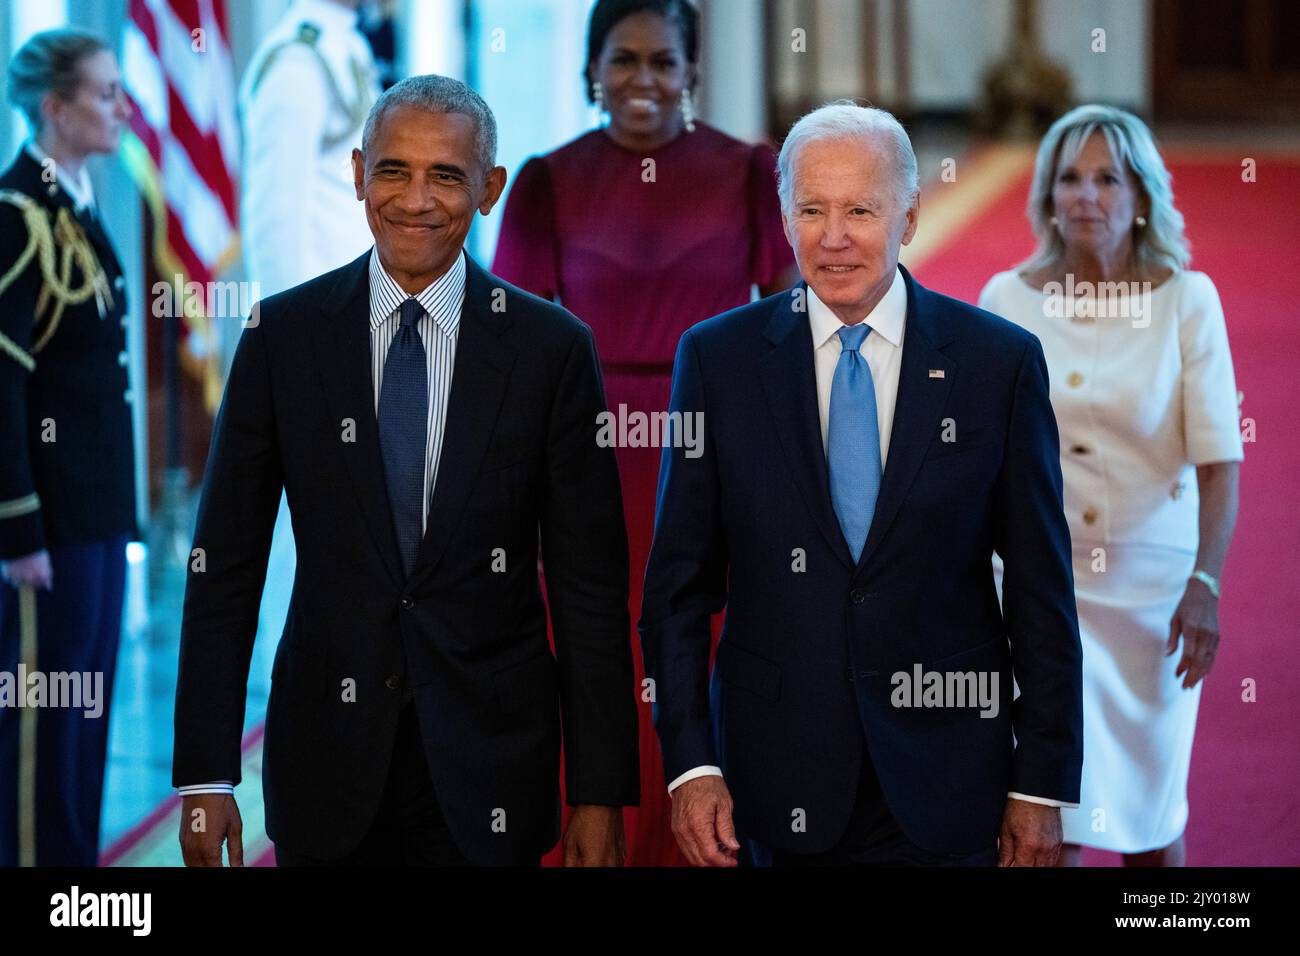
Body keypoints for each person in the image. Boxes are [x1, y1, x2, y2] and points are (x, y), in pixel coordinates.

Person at [174, 75, 639, 867]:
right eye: (393, 170)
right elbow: (224, 568)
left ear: (489, 188)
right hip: (326, 766)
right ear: (358, 173)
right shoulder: (283, 338)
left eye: (447, 175)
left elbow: (588, 589)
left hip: (493, 774)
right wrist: (204, 776)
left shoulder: (552, 351)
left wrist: (599, 789)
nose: (415, 199)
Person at [639, 101, 1084, 867]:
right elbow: (678, 589)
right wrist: (693, 765)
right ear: (784, 217)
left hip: (948, 776)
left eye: (860, 210)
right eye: (812, 209)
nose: (834, 237)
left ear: (910, 216)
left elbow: (1042, 587)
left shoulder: (996, 365)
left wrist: (1040, 782)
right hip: (771, 783)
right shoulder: (718, 361)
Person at [491, 0, 797, 866]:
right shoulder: (547, 179)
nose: (643, 81)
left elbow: (787, 326)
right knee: (588, 647)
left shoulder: (748, 170)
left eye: (664, 62)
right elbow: (517, 343)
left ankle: (704, 841)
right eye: (623, 60)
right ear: (592, 69)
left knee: (703, 644)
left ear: (694, 72)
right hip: (585, 459)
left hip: (713, 452)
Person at [978, 104, 1242, 867]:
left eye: (1107, 178)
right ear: (1047, 195)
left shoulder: (1189, 302)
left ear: (1142, 195)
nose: (1086, 196)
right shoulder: (1008, 299)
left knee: (1149, 824)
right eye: (1069, 178)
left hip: (1152, 602)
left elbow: (1221, 462)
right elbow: (982, 462)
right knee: (1044, 817)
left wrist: (1206, 582)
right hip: (1037, 591)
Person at [0, 29, 137, 867]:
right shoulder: (18, 218)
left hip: (91, 517)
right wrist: (18, 532)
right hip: (45, 529)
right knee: (37, 737)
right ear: (56, 108)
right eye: (106, 95)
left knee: (85, 719)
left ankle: (75, 880)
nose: (123, 109)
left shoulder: (74, 206)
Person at [239, 0, 380, 298]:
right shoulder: (297, 61)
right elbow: (276, 226)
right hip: (317, 321)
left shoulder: (349, 45)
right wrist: (286, 337)